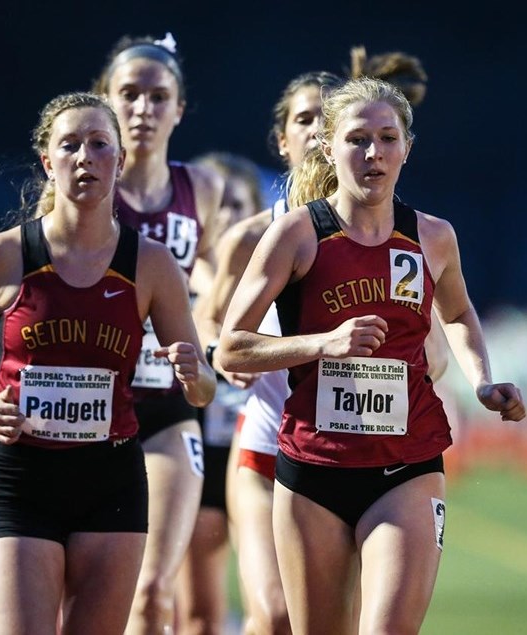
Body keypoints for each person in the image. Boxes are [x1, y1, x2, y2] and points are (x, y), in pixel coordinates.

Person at [217, 77, 526, 634]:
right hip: (313, 468)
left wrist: (483, 379)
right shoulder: (296, 234)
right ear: (329, 145)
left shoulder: (432, 237)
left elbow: (457, 314)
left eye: (387, 138)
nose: (373, 153)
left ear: (407, 147)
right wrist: (323, 343)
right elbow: (231, 349)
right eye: (358, 138)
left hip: (405, 466)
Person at [0, 91, 216, 635]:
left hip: (110, 482)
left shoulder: (151, 264)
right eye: (70, 145)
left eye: (99, 145)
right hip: (23, 478)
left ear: (120, 160)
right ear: (48, 161)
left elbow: (202, 392)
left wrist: (194, 372)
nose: (85, 157)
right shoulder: (3, 255)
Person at [194, 69, 342, 635]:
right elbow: (213, 321)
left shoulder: (391, 242)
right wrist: (222, 356)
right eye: (305, 119)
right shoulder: (250, 238)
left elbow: (432, 348)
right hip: (262, 451)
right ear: (282, 140)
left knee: (331, 622)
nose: (317, 130)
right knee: (276, 613)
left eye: (330, 118)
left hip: (350, 458)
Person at [91, 32, 225, 634]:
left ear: (179, 108)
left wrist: (218, 340)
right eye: (129, 94)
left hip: (169, 409)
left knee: (152, 590)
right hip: (91, 410)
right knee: (93, 596)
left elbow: (219, 284)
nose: (143, 108)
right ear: (106, 99)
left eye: (157, 95)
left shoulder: (204, 189)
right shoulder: (84, 185)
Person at [175, 151, 263, 634]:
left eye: (239, 205)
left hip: (261, 451)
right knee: (198, 615)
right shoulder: (173, 280)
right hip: (198, 452)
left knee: (269, 611)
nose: (228, 217)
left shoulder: (281, 277)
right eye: (219, 205)